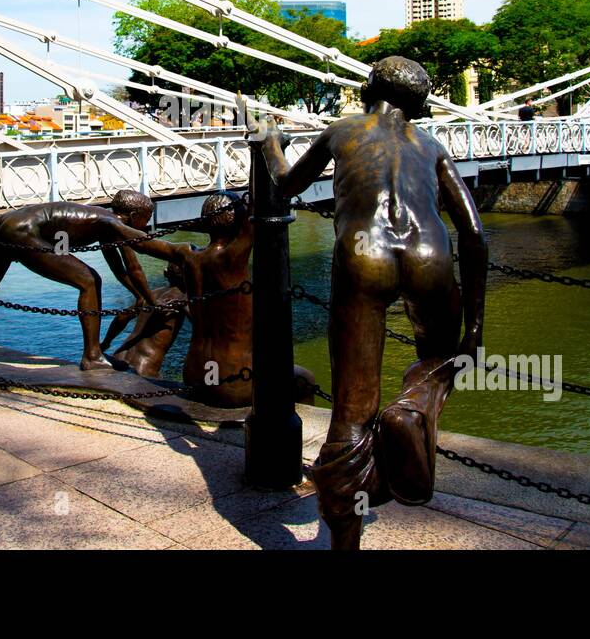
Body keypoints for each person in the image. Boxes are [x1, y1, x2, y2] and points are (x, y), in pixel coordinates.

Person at [242, 56, 487, 550]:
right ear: (419, 105)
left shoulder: (343, 130)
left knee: (351, 415)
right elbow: (475, 236)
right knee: (443, 362)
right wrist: (477, 324)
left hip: (363, 253)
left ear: (366, 89)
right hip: (430, 253)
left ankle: (345, 544)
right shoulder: (433, 146)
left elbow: (286, 187)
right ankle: (411, 409)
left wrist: (268, 143)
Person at [0, 189, 159, 373]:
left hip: (7, 222)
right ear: (135, 215)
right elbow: (134, 268)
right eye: (146, 219)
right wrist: (150, 301)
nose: (146, 225)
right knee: (89, 281)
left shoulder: (104, 220)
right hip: (25, 231)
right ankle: (92, 356)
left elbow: (120, 268)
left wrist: (140, 297)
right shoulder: (114, 223)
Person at [107, 191, 315, 407]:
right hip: (228, 382)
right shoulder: (230, 257)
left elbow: (140, 243)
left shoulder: (187, 255)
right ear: (239, 221)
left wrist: (109, 220)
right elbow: (258, 204)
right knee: (304, 379)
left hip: (196, 376)